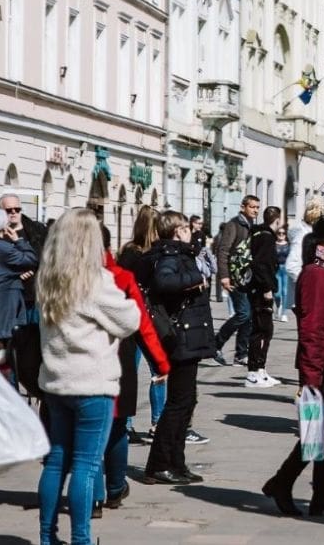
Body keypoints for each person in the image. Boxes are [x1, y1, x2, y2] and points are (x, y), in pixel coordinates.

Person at [35, 209, 141, 545]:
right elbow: (130, 320)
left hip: (56, 381)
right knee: (85, 466)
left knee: (55, 462)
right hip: (92, 384)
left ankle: (47, 536)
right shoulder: (95, 281)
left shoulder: (47, 277)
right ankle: (81, 539)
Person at [262, 214, 324, 518]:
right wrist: (310, 378)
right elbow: (311, 329)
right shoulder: (317, 274)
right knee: (315, 434)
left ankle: (323, 494)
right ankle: (282, 481)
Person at [99, 225, 170, 511]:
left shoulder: (61, 277)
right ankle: (115, 487)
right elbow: (142, 324)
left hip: (69, 369)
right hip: (118, 359)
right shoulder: (120, 277)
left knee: (84, 437)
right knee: (115, 428)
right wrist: (160, 362)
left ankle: (91, 497)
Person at [141, 211, 216, 485]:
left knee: (187, 401)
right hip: (181, 336)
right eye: (185, 228)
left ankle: (176, 462)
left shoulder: (180, 253)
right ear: (176, 231)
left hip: (189, 335)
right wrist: (195, 280)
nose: (190, 232)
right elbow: (164, 282)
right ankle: (159, 464)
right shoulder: (170, 255)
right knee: (178, 402)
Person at [118, 206, 170, 444]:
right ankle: (150, 423)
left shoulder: (129, 252)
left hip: (135, 316)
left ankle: (142, 423)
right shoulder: (143, 255)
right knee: (151, 370)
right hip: (142, 318)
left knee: (142, 370)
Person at [0, 207, 39, 383]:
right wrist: (18, 240)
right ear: (4, 227)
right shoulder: (5, 249)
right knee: (6, 362)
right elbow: (31, 259)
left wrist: (13, 274)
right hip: (4, 313)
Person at [214, 195, 260, 366]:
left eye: (257, 207)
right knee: (243, 313)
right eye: (252, 207)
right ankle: (216, 343)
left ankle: (241, 354)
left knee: (248, 316)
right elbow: (223, 251)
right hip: (234, 276)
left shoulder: (252, 225)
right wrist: (224, 276)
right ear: (243, 207)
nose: (255, 210)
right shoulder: (234, 225)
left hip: (247, 277)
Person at [245, 206, 284, 389]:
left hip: (255, 287)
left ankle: (261, 369)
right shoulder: (267, 237)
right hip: (261, 289)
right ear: (277, 220)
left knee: (264, 329)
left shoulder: (257, 233)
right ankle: (253, 372)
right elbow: (262, 265)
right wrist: (267, 288)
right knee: (262, 329)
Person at [285, 200, 324, 316]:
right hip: (305, 296)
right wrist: (308, 282)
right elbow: (291, 265)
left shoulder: (309, 233)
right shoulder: (302, 236)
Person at [274, 226, 290, 322]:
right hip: (276, 269)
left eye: (283, 233)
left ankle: (284, 314)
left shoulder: (289, 245)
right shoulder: (273, 245)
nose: (281, 235)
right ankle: (278, 306)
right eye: (279, 233)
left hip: (286, 269)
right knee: (277, 293)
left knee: (285, 292)